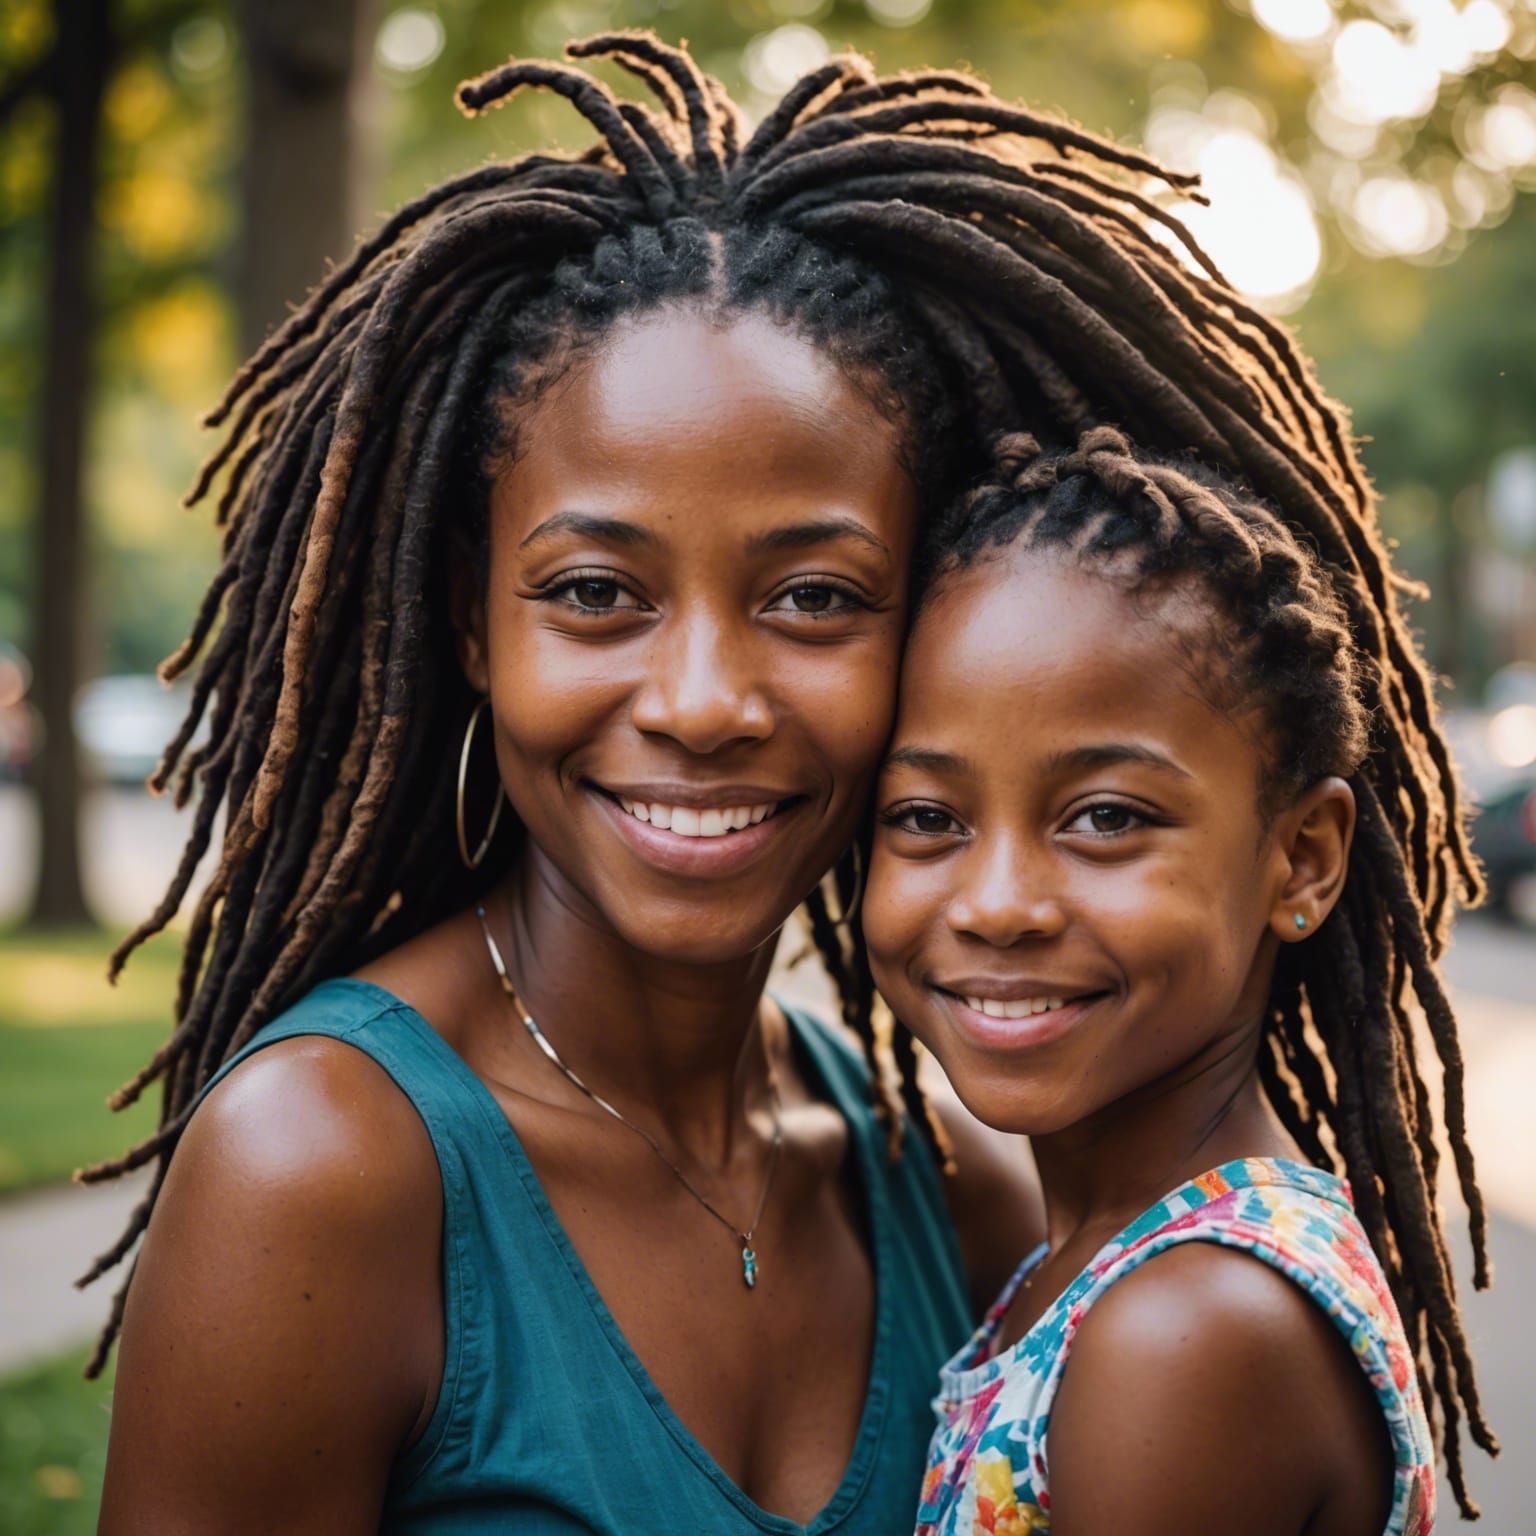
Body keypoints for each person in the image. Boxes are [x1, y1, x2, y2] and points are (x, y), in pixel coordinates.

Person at [80, 30, 1478, 1534]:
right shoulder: (328, 1168)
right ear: (469, 629)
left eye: (814, 598)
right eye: (597, 592)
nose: (702, 704)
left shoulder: (947, 1186)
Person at [862, 428, 1497, 1536]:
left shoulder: (1186, 1335)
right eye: (927, 817)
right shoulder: (1116, 1261)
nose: (998, 902)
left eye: (1106, 817)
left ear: (1300, 859)